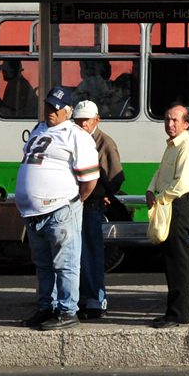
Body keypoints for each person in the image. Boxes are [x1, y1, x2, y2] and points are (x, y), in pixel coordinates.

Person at [15, 86, 99, 331]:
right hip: (34, 214)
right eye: (48, 105)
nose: (50, 111)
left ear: (69, 110)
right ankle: (46, 308)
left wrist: (75, 201)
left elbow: (90, 180)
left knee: (65, 264)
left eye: (56, 107)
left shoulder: (77, 135)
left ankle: (67, 311)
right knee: (43, 265)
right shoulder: (39, 128)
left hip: (61, 209)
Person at [146, 103, 189, 328]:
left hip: (177, 205)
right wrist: (150, 189)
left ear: (186, 124)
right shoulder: (172, 145)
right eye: (167, 119)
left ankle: (180, 314)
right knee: (170, 261)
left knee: (178, 263)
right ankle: (172, 312)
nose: (170, 124)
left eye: (175, 120)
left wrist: (160, 197)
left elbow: (182, 184)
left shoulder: (187, 147)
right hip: (168, 204)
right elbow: (161, 172)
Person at [73, 100, 124, 320]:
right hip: (75, 205)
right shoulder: (74, 138)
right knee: (76, 256)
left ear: (97, 120)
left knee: (91, 254)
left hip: (91, 206)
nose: (82, 124)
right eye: (78, 120)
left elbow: (116, 177)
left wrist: (102, 193)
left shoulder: (105, 143)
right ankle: (82, 298)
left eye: (86, 120)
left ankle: (95, 300)